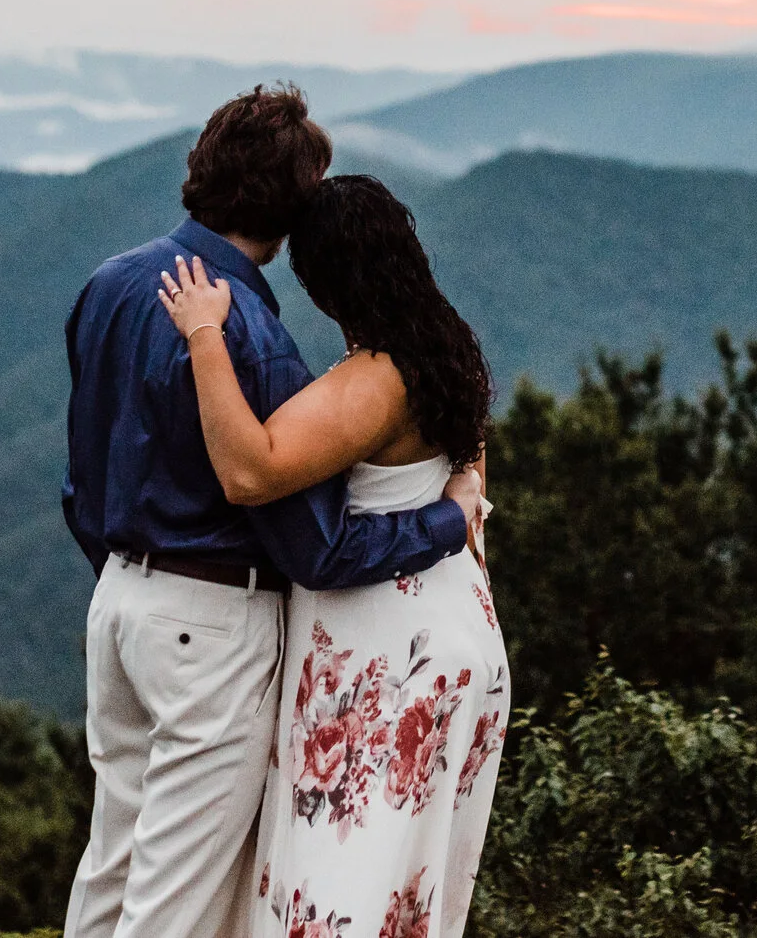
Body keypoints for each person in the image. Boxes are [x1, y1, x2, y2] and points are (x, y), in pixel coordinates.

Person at [61, 87, 484, 938]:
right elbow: (316, 550)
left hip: (117, 604)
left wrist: (129, 574)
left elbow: (84, 471)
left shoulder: (109, 284)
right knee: (174, 897)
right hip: (209, 622)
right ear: (296, 206)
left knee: (112, 862)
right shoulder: (252, 334)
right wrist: (448, 521)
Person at [157, 172, 507, 938]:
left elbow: (250, 470)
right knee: (405, 883)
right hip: (460, 631)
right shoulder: (450, 346)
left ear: (324, 279)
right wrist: (459, 512)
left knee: (344, 879)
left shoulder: (373, 382)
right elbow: (471, 474)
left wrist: (205, 334)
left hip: (387, 652)